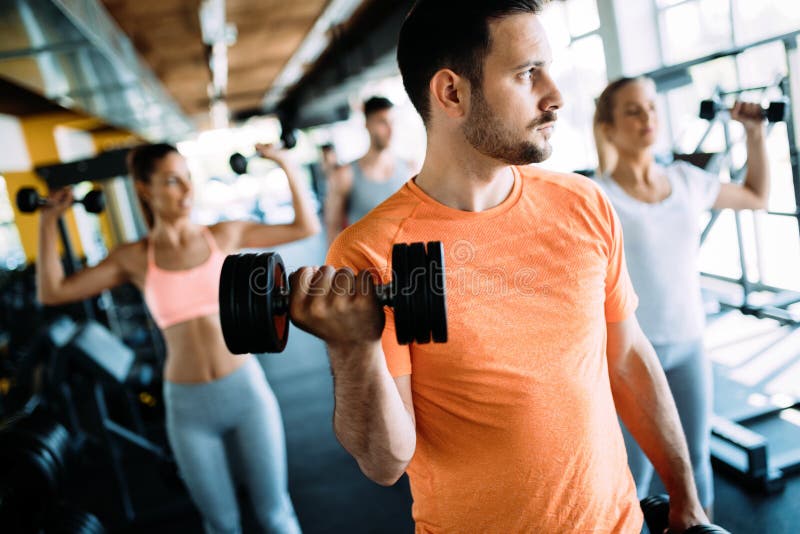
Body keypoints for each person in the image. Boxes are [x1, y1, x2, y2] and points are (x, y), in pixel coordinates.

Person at [287, 2, 709, 532]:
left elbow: (626, 358)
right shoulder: (372, 253)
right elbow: (384, 461)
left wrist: (686, 500)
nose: (555, 95)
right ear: (452, 93)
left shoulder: (584, 203)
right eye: (528, 73)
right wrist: (354, 348)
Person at [37, 143, 319, 534]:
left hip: (245, 391)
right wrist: (48, 222)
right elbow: (54, 292)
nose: (187, 191)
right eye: (172, 181)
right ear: (145, 189)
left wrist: (287, 164)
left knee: (276, 514)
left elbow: (306, 227)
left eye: (188, 178)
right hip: (188, 408)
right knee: (221, 524)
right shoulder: (134, 257)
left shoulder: (223, 235)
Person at [593, 76, 770, 516]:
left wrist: (754, 134)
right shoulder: (599, 197)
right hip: (629, 355)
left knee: (693, 464)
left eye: (651, 107)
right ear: (609, 127)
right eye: (632, 110)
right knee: (632, 474)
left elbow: (755, 196)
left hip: (689, 344)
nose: (647, 117)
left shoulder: (687, 181)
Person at [324, 96, 416, 244]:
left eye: (392, 122)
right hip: (364, 263)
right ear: (367, 124)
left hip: (406, 262)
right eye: (382, 122)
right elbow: (333, 228)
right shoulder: (345, 175)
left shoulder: (409, 168)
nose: (390, 130)